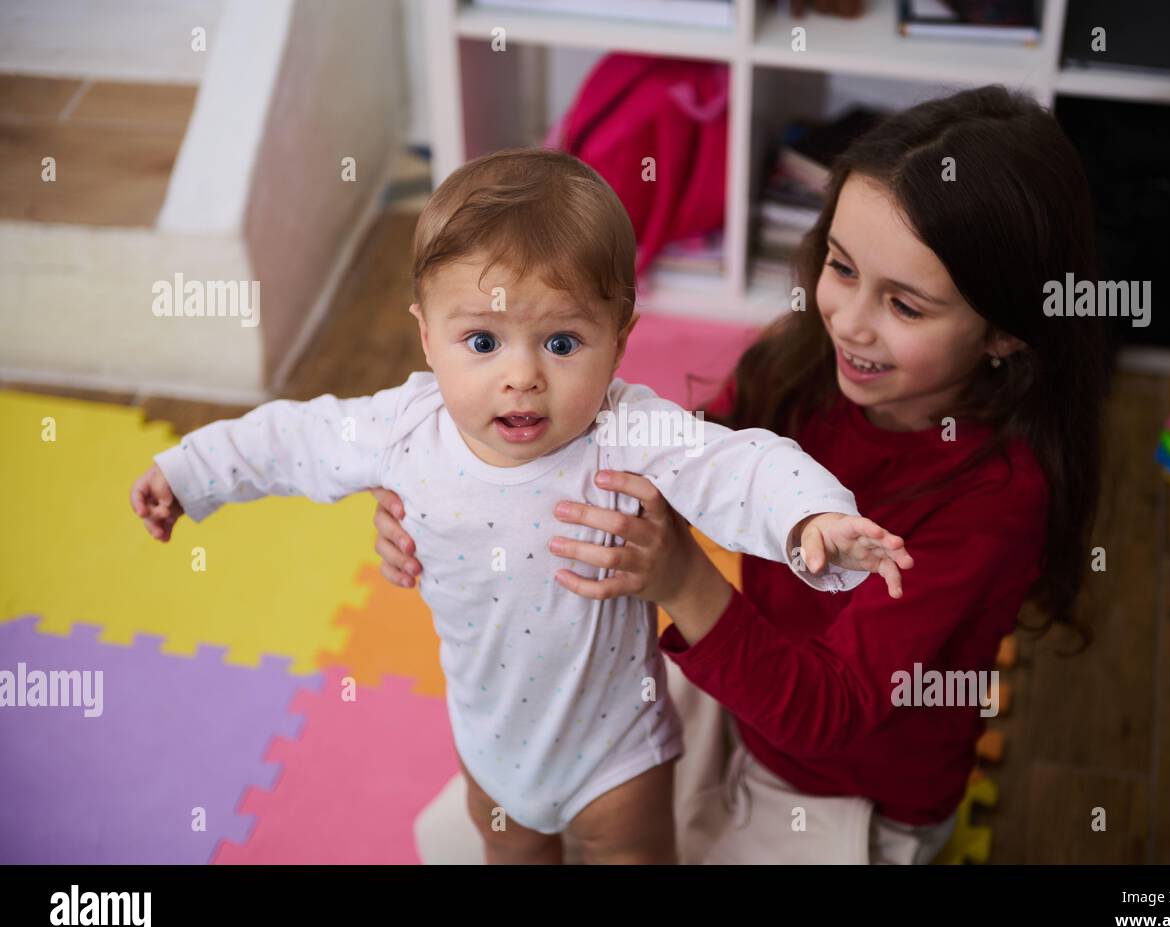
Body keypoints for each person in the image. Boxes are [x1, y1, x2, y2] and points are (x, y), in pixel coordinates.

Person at [376, 85, 1109, 864]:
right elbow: (687, 461)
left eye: (906, 305)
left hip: (847, 785)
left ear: (1003, 332)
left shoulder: (998, 500)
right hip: (742, 689)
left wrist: (681, 576)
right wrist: (445, 493)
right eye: (841, 267)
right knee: (477, 827)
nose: (850, 320)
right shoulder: (806, 362)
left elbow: (833, 709)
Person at [129, 147, 912, 865]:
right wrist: (189, 472)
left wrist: (811, 519)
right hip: (491, 743)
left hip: (616, 750)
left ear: (619, 340)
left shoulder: (624, 427)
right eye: (482, 342)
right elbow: (291, 441)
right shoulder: (403, 427)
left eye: (563, 343)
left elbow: (738, 466)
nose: (522, 376)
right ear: (427, 338)